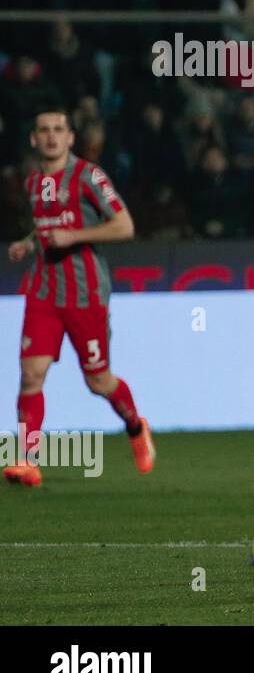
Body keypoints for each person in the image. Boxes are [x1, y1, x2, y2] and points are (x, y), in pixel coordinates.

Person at [5, 110, 154, 487]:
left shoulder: (89, 176)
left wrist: (73, 237)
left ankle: (135, 426)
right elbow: (45, 230)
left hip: (85, 293)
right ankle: (28, 462)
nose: (52, 136)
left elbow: (125, 226)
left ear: (71, 138)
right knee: (31, 375)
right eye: (44, 130)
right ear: (33, 140)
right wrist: (27, 244)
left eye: (59, 130)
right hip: (43, 290)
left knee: (98, 381)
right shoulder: (34, 181)